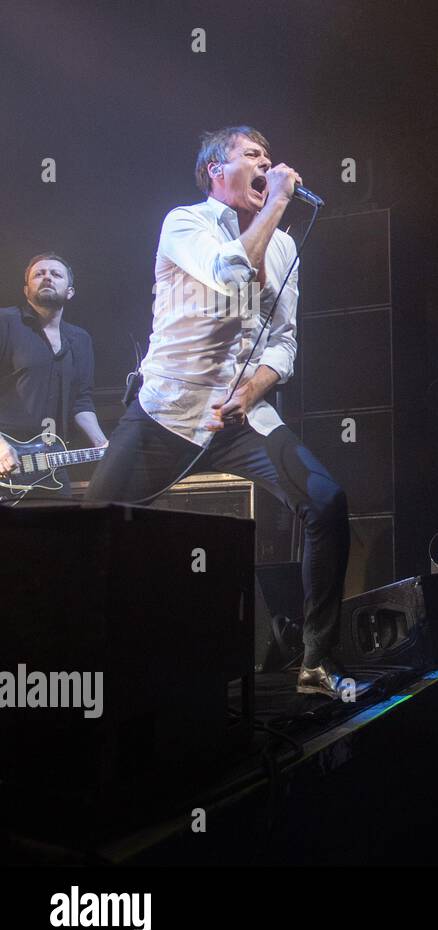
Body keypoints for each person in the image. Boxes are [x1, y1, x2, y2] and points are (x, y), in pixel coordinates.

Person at [85, 126, 352, 698]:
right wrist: (278, 198)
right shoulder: (185, 223)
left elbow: (284, 342)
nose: (268, 163)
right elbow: (231, 273)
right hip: (168, 412)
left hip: (240, 418)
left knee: (326, 501)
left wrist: (252, 393)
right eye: (252, 156)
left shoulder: (282, 247)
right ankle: (91, 672)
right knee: (89, 530)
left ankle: (315, 662)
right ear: (215, 169)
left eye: (269, 156)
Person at [0, 254, 109, 490]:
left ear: (69, 292)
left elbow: (82, 401)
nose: (47, 277)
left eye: (56, 274)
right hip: (5, 456)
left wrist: (102, 444)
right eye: (39, 274)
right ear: (26, 289)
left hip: (51, 459)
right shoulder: (5, 322)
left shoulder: (79, 339)